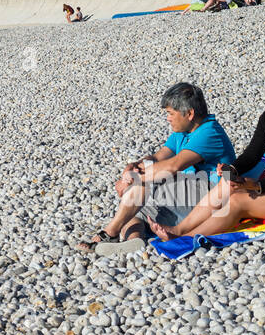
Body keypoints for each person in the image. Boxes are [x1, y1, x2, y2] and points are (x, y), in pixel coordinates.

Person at [150, 77, 265, 242]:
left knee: (238, 201)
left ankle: (186, 238)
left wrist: (257, 186)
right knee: (227, 183)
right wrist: (232, 169)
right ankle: (179, 229)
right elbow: (252, 154)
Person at [79, 83, 236, 254]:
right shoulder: (183, 132)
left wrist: (134, 178)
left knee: (141, 188)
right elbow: (157, 158)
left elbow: (173, 165)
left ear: (189, 113)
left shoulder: (209, 132)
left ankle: (110, 233)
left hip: (211, 194)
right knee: (133, 208)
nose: (167, 118)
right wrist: (134, 167)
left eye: (170, 113)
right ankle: (134, 241)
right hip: (190, 187)